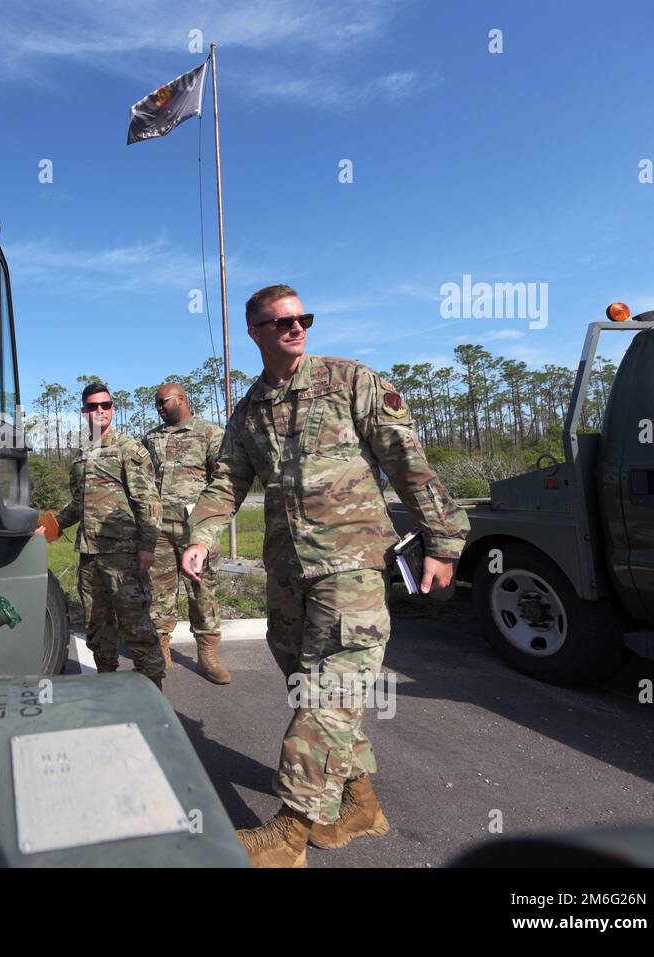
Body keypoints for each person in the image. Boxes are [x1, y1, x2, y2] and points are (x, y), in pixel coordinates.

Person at [181, 284, 470, 867]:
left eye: (302, 318)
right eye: (281, 321)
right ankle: (358, 804)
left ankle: (289, 831)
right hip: (289, 572)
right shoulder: (249, 411)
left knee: (327, 692)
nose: (295, 327)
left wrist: (442, 539)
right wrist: (200, 535)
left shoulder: (350, 380)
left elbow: (406, 461)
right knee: (306, 683)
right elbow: (228, 483)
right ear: (255, 332)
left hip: (351, 567)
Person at [41, 383, 165, 687]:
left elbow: (148, 502)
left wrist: (147, 546)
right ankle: (107, 686)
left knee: (136, 627)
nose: (100, 411)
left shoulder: (128, 449)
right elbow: (78, 504)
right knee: (97, 627)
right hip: (90, 555)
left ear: (113, 408)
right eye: (93, 406)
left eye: (105, 405)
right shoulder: (82, 453)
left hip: (124, 556)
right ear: (84, 411)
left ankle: (152, 691)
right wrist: (48, 528)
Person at [143, 382, 230, 684]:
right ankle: (161, 647)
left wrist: (209, 521)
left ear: (181, 399)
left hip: (196, 530)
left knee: (202, 589)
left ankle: (207, 653)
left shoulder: (210, 433)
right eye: (156, 403)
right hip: (159, 529)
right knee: (159, 592)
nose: (158, 407)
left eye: (162, 402)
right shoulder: (151, 438)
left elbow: (224, 479)